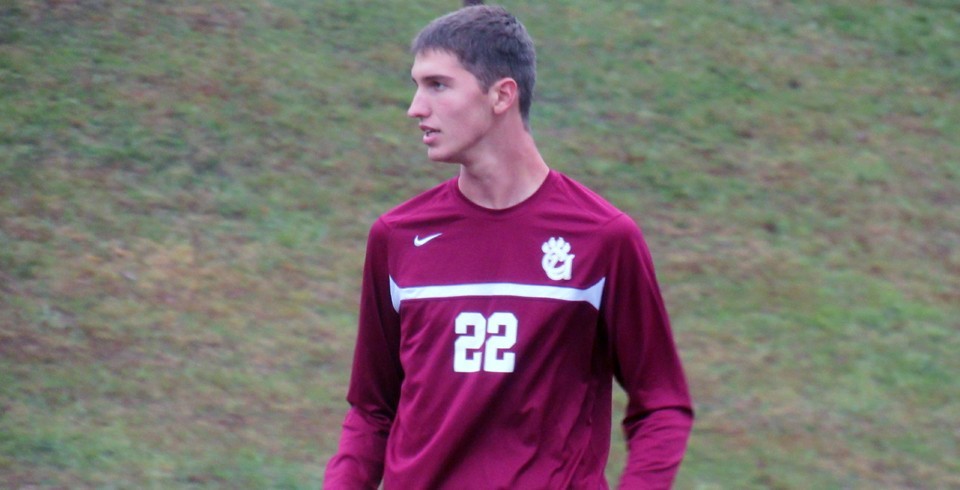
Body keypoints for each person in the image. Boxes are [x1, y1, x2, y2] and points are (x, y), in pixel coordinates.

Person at [324, 4, 693, 489]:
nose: (416, 107)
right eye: (417, 85)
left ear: (501, 95)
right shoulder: (396, 237)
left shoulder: (603, 237)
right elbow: (372, 412)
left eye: (437, 85)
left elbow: (662, 404)